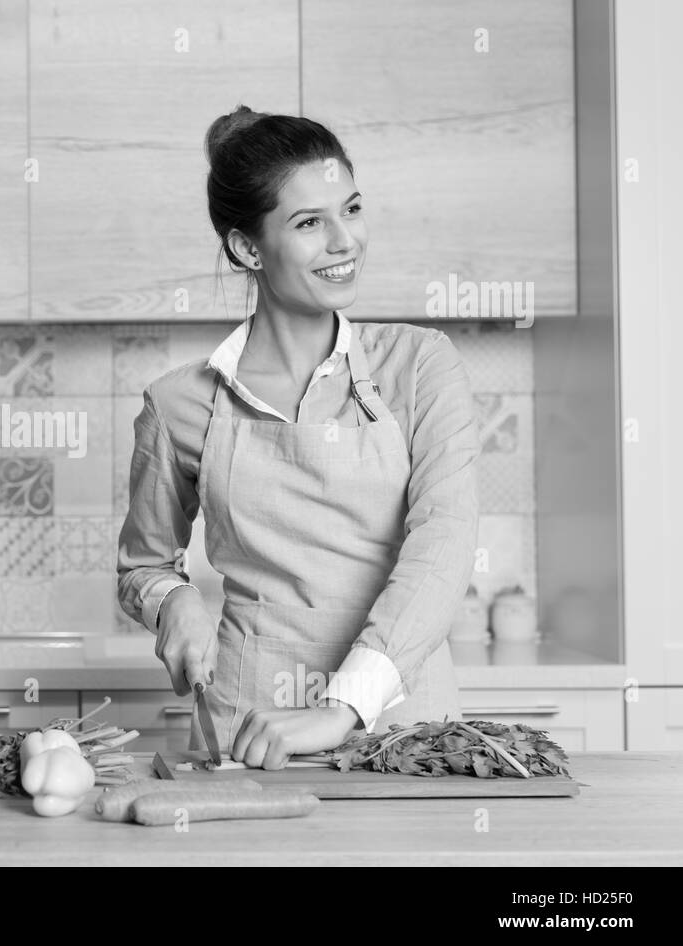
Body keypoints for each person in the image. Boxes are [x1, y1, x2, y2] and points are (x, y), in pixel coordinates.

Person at [117, 106, 480, 770]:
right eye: (310, 223)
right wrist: (174, 599)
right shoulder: (180, 404)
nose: (345, 241)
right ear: (247, 248)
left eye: (352, 208)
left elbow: (445, 544)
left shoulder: (420, 366)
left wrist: (341, 710)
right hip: (253, 739)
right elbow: (143, 564)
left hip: (409, 737)